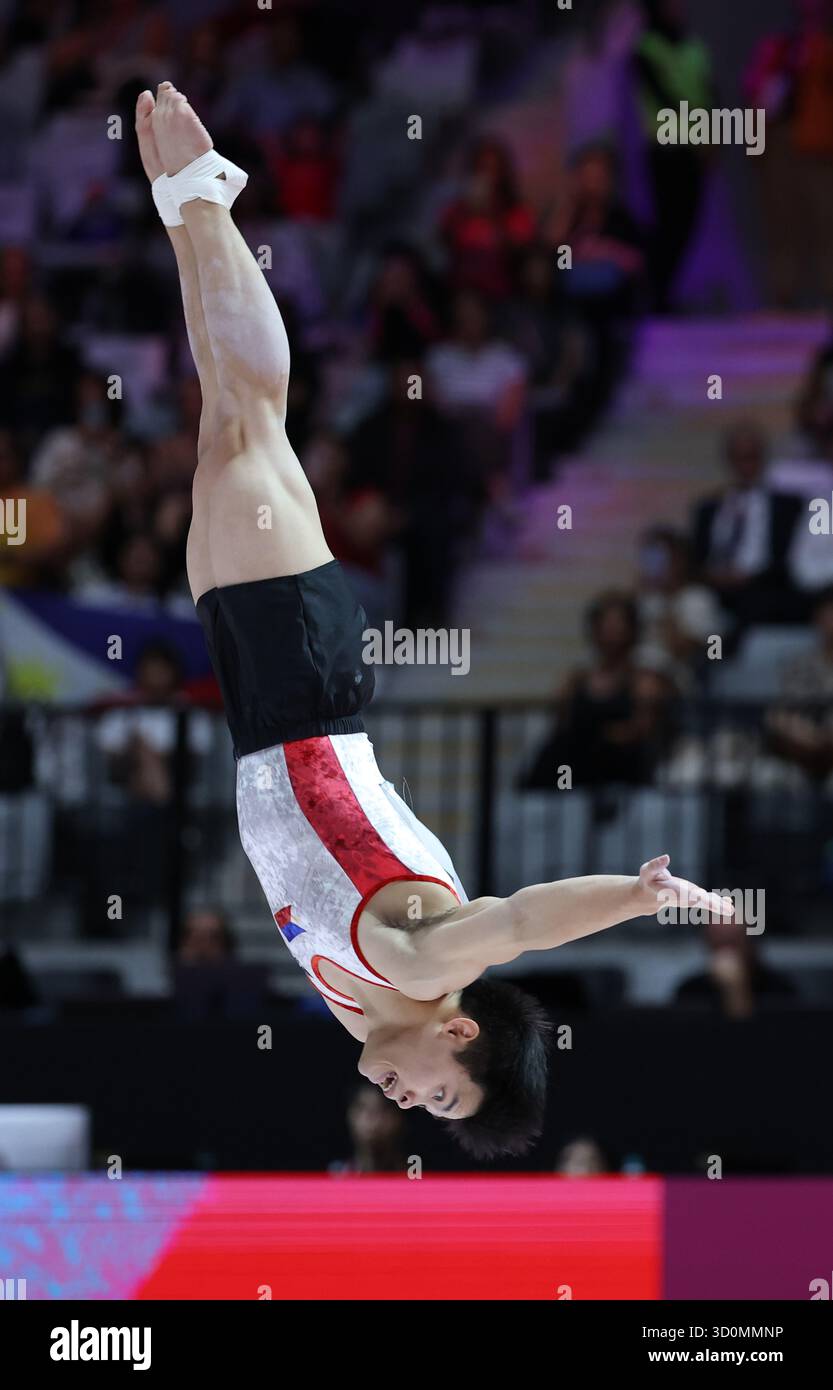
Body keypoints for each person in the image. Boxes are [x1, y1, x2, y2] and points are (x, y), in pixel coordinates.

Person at [134, 84, 732, 1159]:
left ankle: (189, 207)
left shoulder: (361, 1009)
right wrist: (634, 898)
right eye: (443, 1097)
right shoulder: (423, 968)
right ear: (459, 1032)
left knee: (224, 427)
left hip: (259, 704)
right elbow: (516, 921)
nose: (409, 1103)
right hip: (307, 690)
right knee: (245, 426)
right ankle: (199, 197)